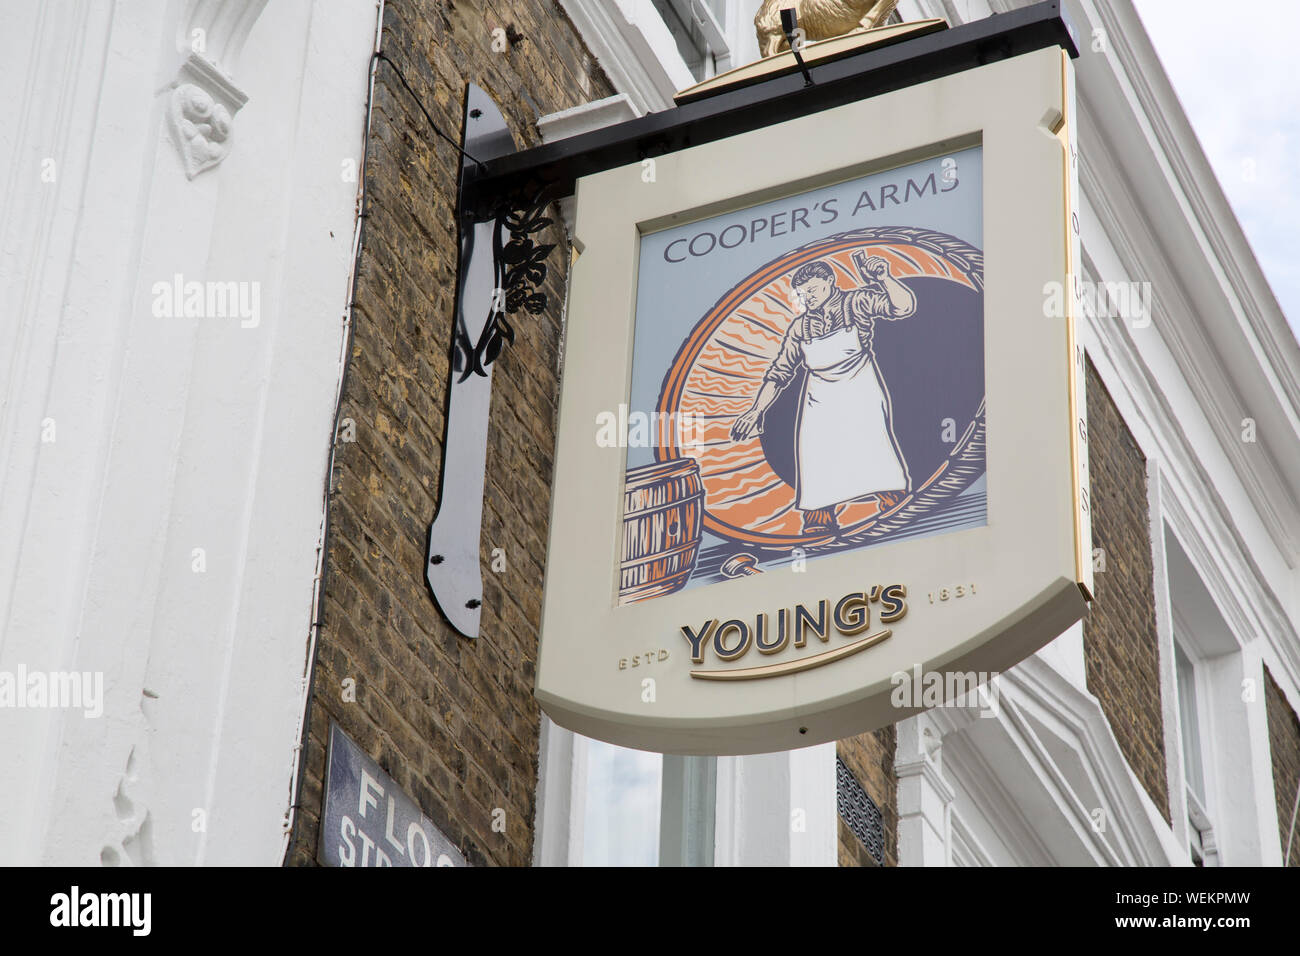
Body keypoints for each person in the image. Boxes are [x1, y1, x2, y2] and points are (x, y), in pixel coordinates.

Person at [730, 254, 915, 535]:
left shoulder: (858, 301)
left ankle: (895, 505)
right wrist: (757, 410)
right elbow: (780, 372)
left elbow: (903, 308)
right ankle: (819, 523)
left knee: (875, 451)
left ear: (829, 281)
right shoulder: (799, 327)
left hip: (860, 390)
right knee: (816, 459)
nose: (808, 299)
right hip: (819, 401)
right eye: (803, 295)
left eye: (812, 291)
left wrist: (884, 279)